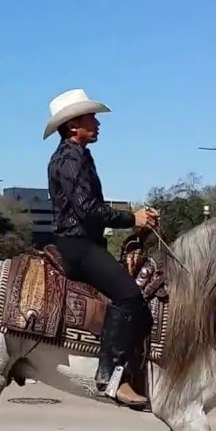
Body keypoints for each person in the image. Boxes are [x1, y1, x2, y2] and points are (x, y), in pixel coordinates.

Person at [44, 88, 157, 407]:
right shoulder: (69, 158)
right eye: (90, 117)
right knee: (129, 296)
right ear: (72, 126)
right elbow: (87, 208)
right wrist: (131, 217)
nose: (97, 122)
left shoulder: (80, 155)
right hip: (76, 244)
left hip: (84, 241)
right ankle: (111, 377)